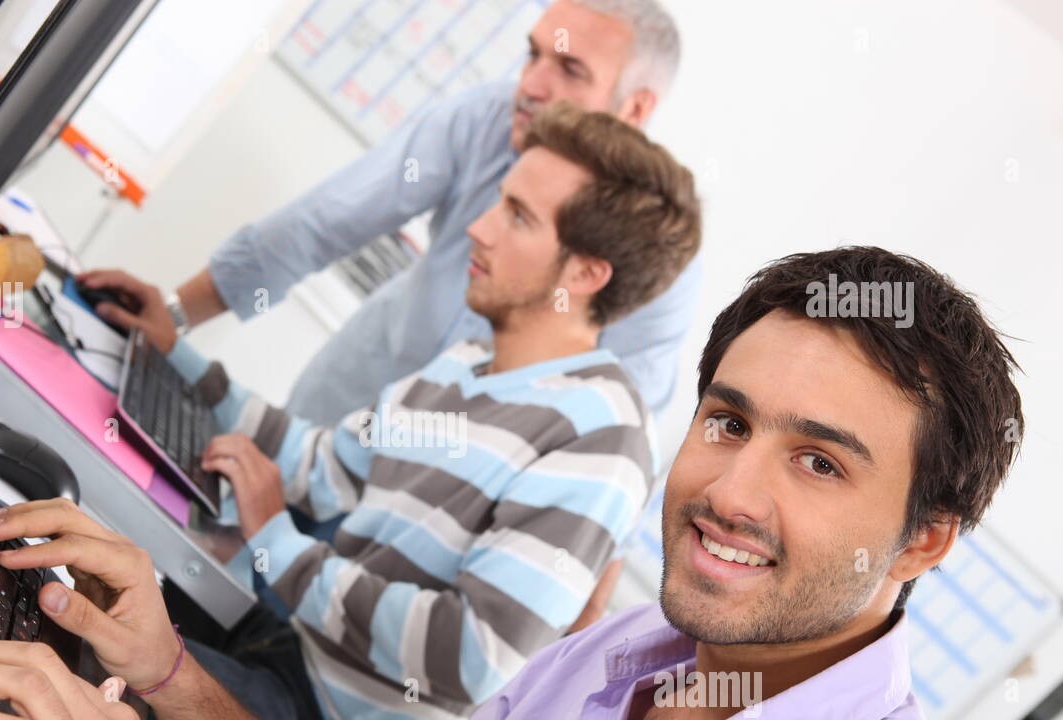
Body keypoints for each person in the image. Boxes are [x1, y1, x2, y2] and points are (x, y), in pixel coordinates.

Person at [0, 245, 1023, 720]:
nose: (730, 492)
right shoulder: (621, 656)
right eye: (729, 422)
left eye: (820, 464)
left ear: (923, 539)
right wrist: (167, 665)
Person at [153, 101, 699, 720]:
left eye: (518, 217)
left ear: (585, 275)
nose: (478, 228)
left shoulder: (602, 439)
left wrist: (278, 545)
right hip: (279, 641)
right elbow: (324, 469)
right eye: (499, 202)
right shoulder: (462, 367)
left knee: (90, 692)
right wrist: (180, 357)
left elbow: (470, 653)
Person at [79, 0, 700, 425]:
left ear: (635, 109)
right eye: (532, 55)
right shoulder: (486, 117)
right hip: (355, 394)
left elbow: (618, 425)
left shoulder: (658, 252)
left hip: (453, 486)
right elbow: (325, 221)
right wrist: (177, 317)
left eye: (568, 69)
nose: (531, 86)